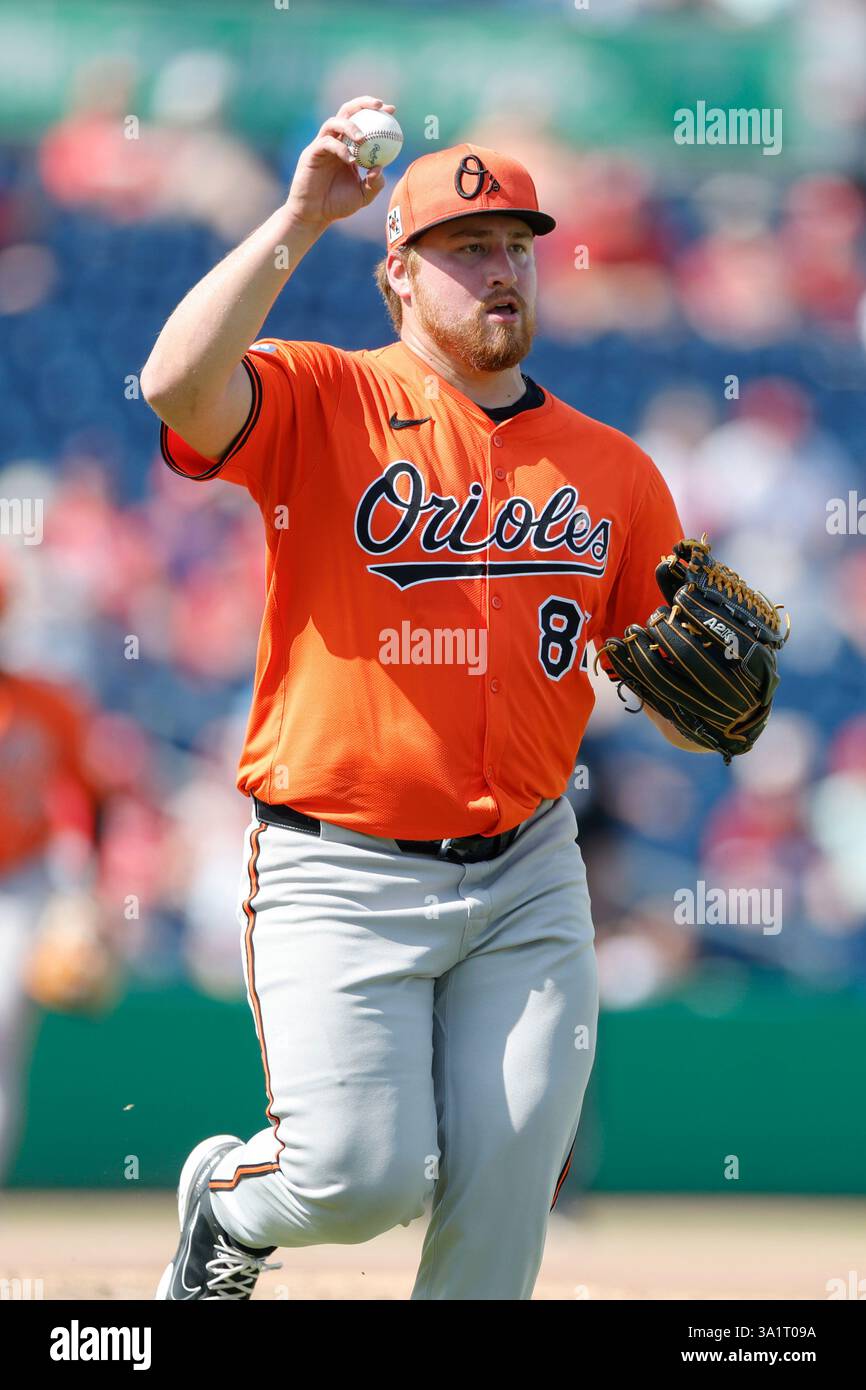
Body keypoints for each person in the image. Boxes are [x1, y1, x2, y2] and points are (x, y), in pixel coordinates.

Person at [141, 95, 704, 1302]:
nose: (500, 269)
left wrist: (697, 705)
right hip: (338, 866)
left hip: (527, 873)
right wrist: (297, 219)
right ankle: (229, 1209)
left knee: (504, 1196)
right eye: (466, 248)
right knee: (358, 1178)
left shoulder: (614, 469)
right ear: (397, 277)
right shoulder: (323, 399)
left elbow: (665, 681)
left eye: (514, 245)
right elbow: (176, 386)